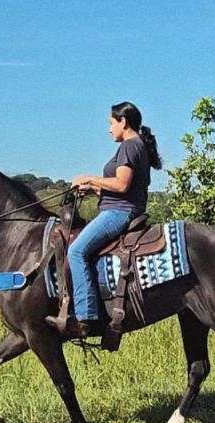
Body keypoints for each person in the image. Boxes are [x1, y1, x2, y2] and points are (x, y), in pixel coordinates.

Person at [47, 101, 163, 337]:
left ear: (123, 122)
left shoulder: (129, 146)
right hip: (121, 207)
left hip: (118, 212)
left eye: (111, 123)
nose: (109, 129)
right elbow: (124, 187)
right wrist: (93, 190)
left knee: (76, 251)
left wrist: (89, 179)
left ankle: (85, 316)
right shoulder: (134, 145)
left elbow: (122, 184)